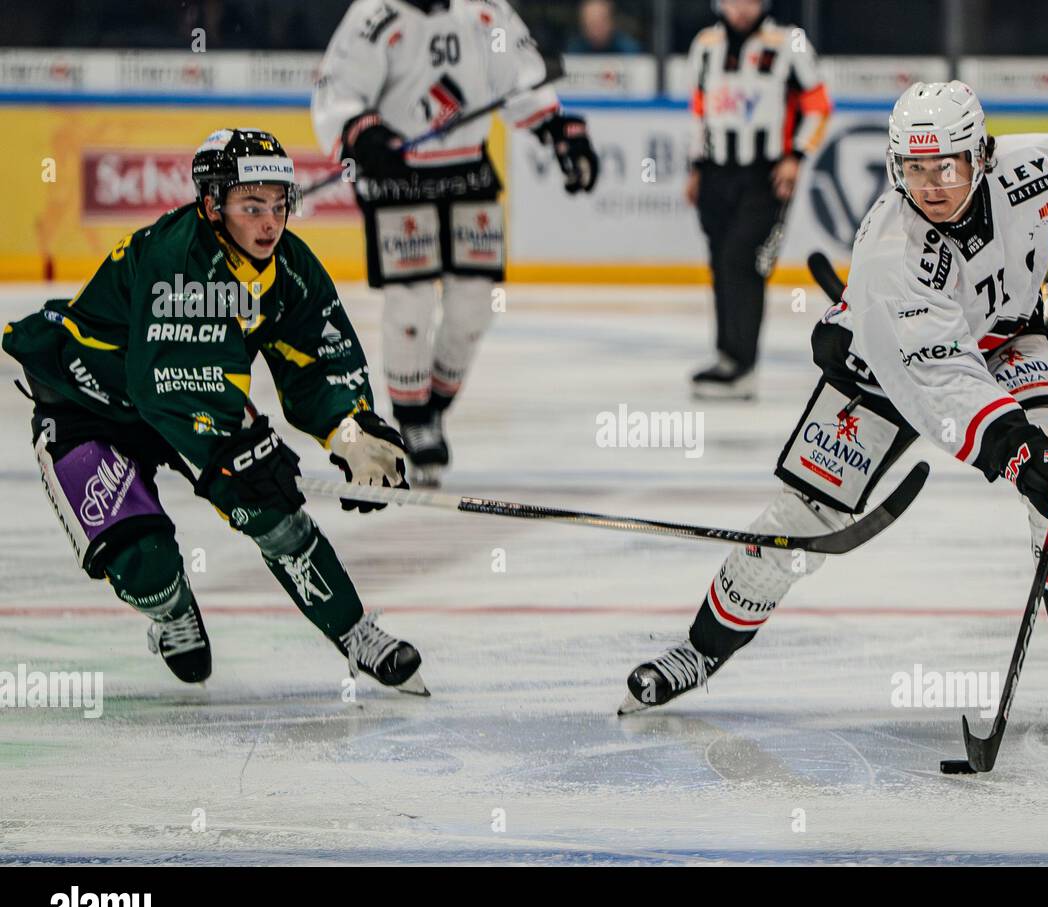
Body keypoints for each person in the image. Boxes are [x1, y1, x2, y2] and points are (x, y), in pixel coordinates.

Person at [620, 81, 1048, 721]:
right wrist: (1019, 455)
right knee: (804, 514)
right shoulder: (893, 250)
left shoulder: (1031, 170)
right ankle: (700, 650)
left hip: (1005, 334)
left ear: (981, 156)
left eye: (947, 167)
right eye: (914, 168)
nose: (930, 186)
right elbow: (943, 385)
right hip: (890, 367)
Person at [2, 128, 426, 693]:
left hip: (181, 401)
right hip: (89, 408)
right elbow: (163, 378)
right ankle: (170, 609)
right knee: (143, 561)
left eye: (278, 206)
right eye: (252, 207)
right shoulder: (175, 258)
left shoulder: (288, 268)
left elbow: (317, 361)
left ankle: (354, 633)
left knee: (270, 507)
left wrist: (350, 432)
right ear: (211, 204)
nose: (270, 223)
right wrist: (238, 448)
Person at [312, 0, 600, 486]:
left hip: (468, 170)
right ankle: (414, 417)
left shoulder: (485, 11)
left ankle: (435, 405)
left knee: (474, 307)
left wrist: (559, 131)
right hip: (398, 181)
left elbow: (522, 78)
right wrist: (362, 133)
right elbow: (337, 89)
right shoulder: (375, 14)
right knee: (411, 305)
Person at [686, 0, 832, 399]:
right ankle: (726, 356)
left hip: (766, 174)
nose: (741, 7)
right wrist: (696, 167)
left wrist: (796, 156)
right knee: (720, 261)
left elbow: (818, 107)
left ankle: (743, 363)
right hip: (716, 174)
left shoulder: (790, 44)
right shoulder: (705, 44)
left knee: (743, 259)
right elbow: (700, 110)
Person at [567, 0, 642, 54]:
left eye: (600, 24)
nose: (595, 31)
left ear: (611, 22)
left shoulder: (628, 49)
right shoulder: (575, 50)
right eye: (591, 24)